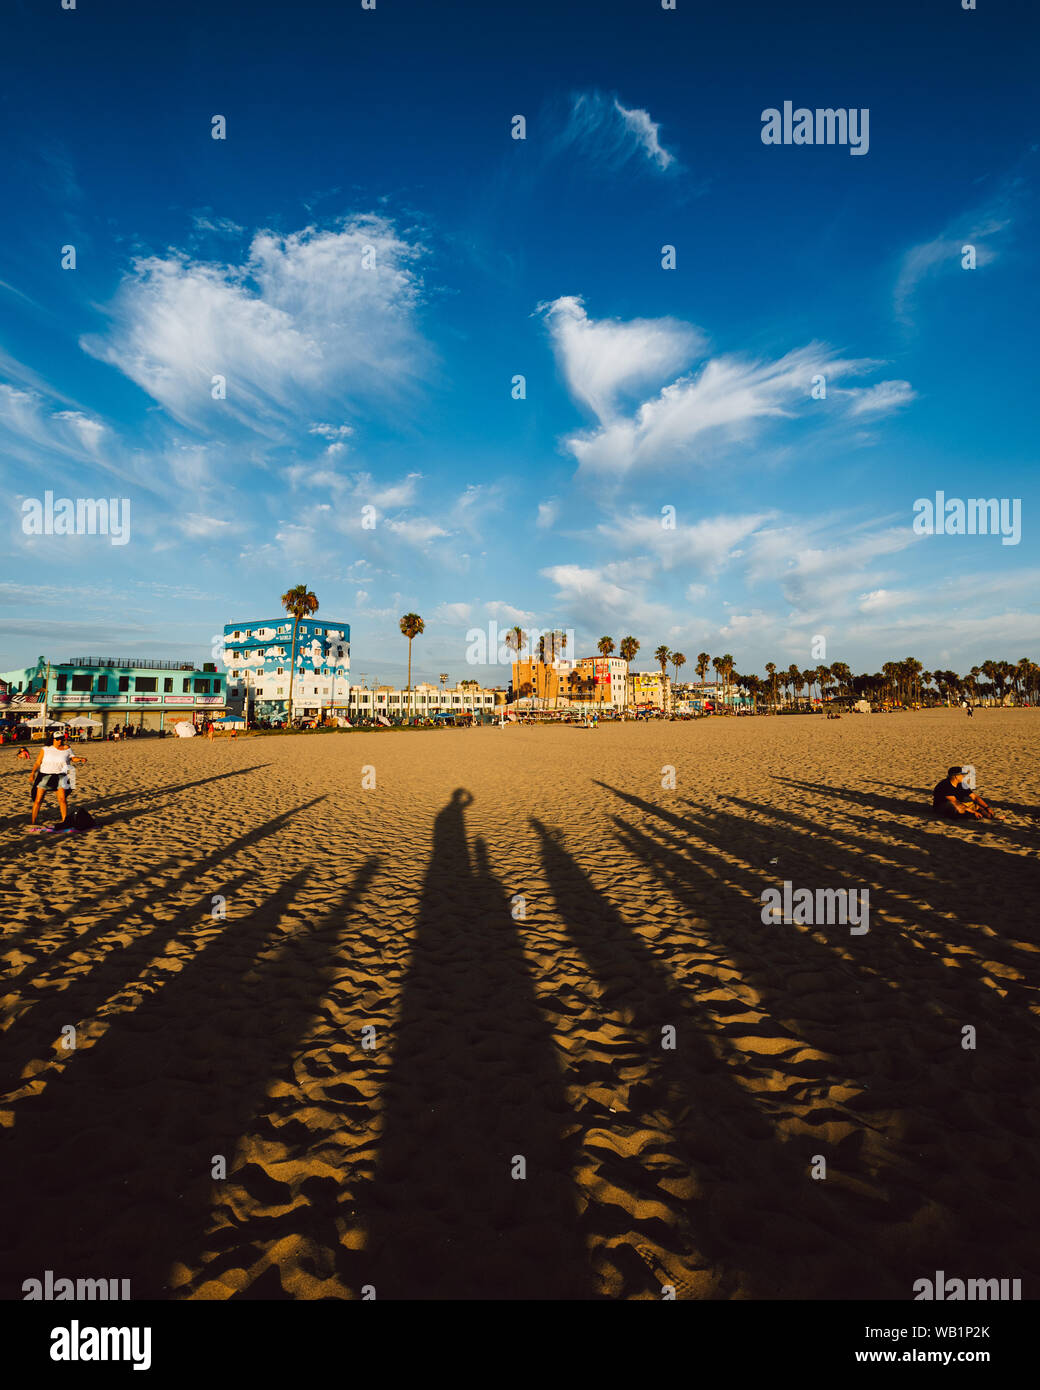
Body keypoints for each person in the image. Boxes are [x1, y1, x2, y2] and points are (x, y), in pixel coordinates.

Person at [29, 732, 87, 828]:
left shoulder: (67, 748)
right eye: (58, 739)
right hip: (45, 775)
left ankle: (64, 820)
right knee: (38, 800)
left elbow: (73, 758)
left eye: (61, 738)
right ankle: (33, 821)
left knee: (62, 800)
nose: (60, 740)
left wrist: (80, 759)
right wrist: (32, 773)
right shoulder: (45, 749)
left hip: (61, 776)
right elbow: (38, 762)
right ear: (53, 739)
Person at [932, 766, 999, 821]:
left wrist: (987, 808)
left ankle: (990, 817)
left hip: (960, 804)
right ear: (956, 776)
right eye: (962, 775)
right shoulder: (944, 785)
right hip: (942, 807)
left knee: (978, 805)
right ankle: (969, 816)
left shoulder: (961, 784)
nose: (963, 776)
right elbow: (954, 802)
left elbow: (974, 797)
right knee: (955, 807)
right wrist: (973, 812)